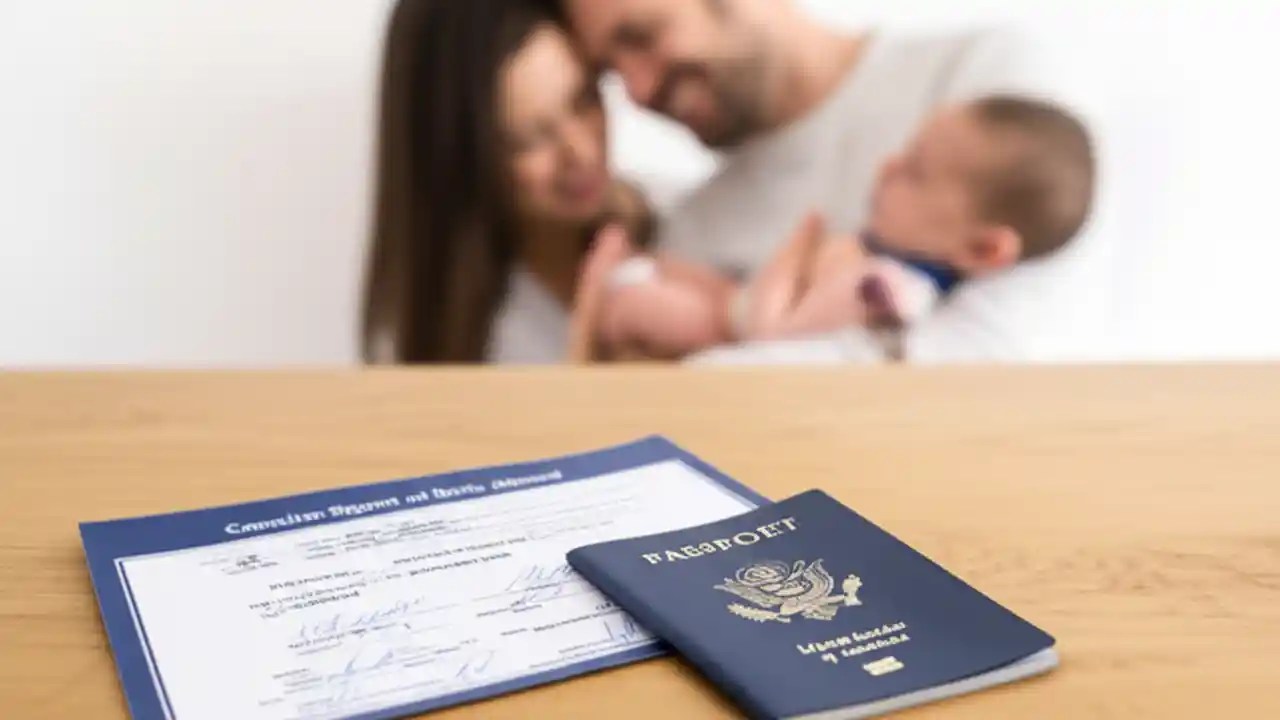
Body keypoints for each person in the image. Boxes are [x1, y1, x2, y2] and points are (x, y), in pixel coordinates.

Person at [562, 0, 1092, 364]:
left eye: (641, 35)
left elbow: (991, 362)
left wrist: (744, 358)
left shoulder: (989, 90)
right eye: (610, 71)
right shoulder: (693, 226)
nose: (637, 91)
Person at [581, 96, 1095, 361]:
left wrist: (794, 257)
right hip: (742, 295)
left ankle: (614, 298)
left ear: (981, 248)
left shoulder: (885, 292)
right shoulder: (880, 256)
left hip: (733, 325)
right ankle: (632, 265)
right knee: (674, 269)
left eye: (915, 172)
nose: (887, 167)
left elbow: (773, 337)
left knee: (638, 304)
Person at [363, 0, 650, 364]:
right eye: (530, 138)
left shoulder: (678, 228)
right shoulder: (482, 340)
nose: (582, 152)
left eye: (584, 101)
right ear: (466, 164)